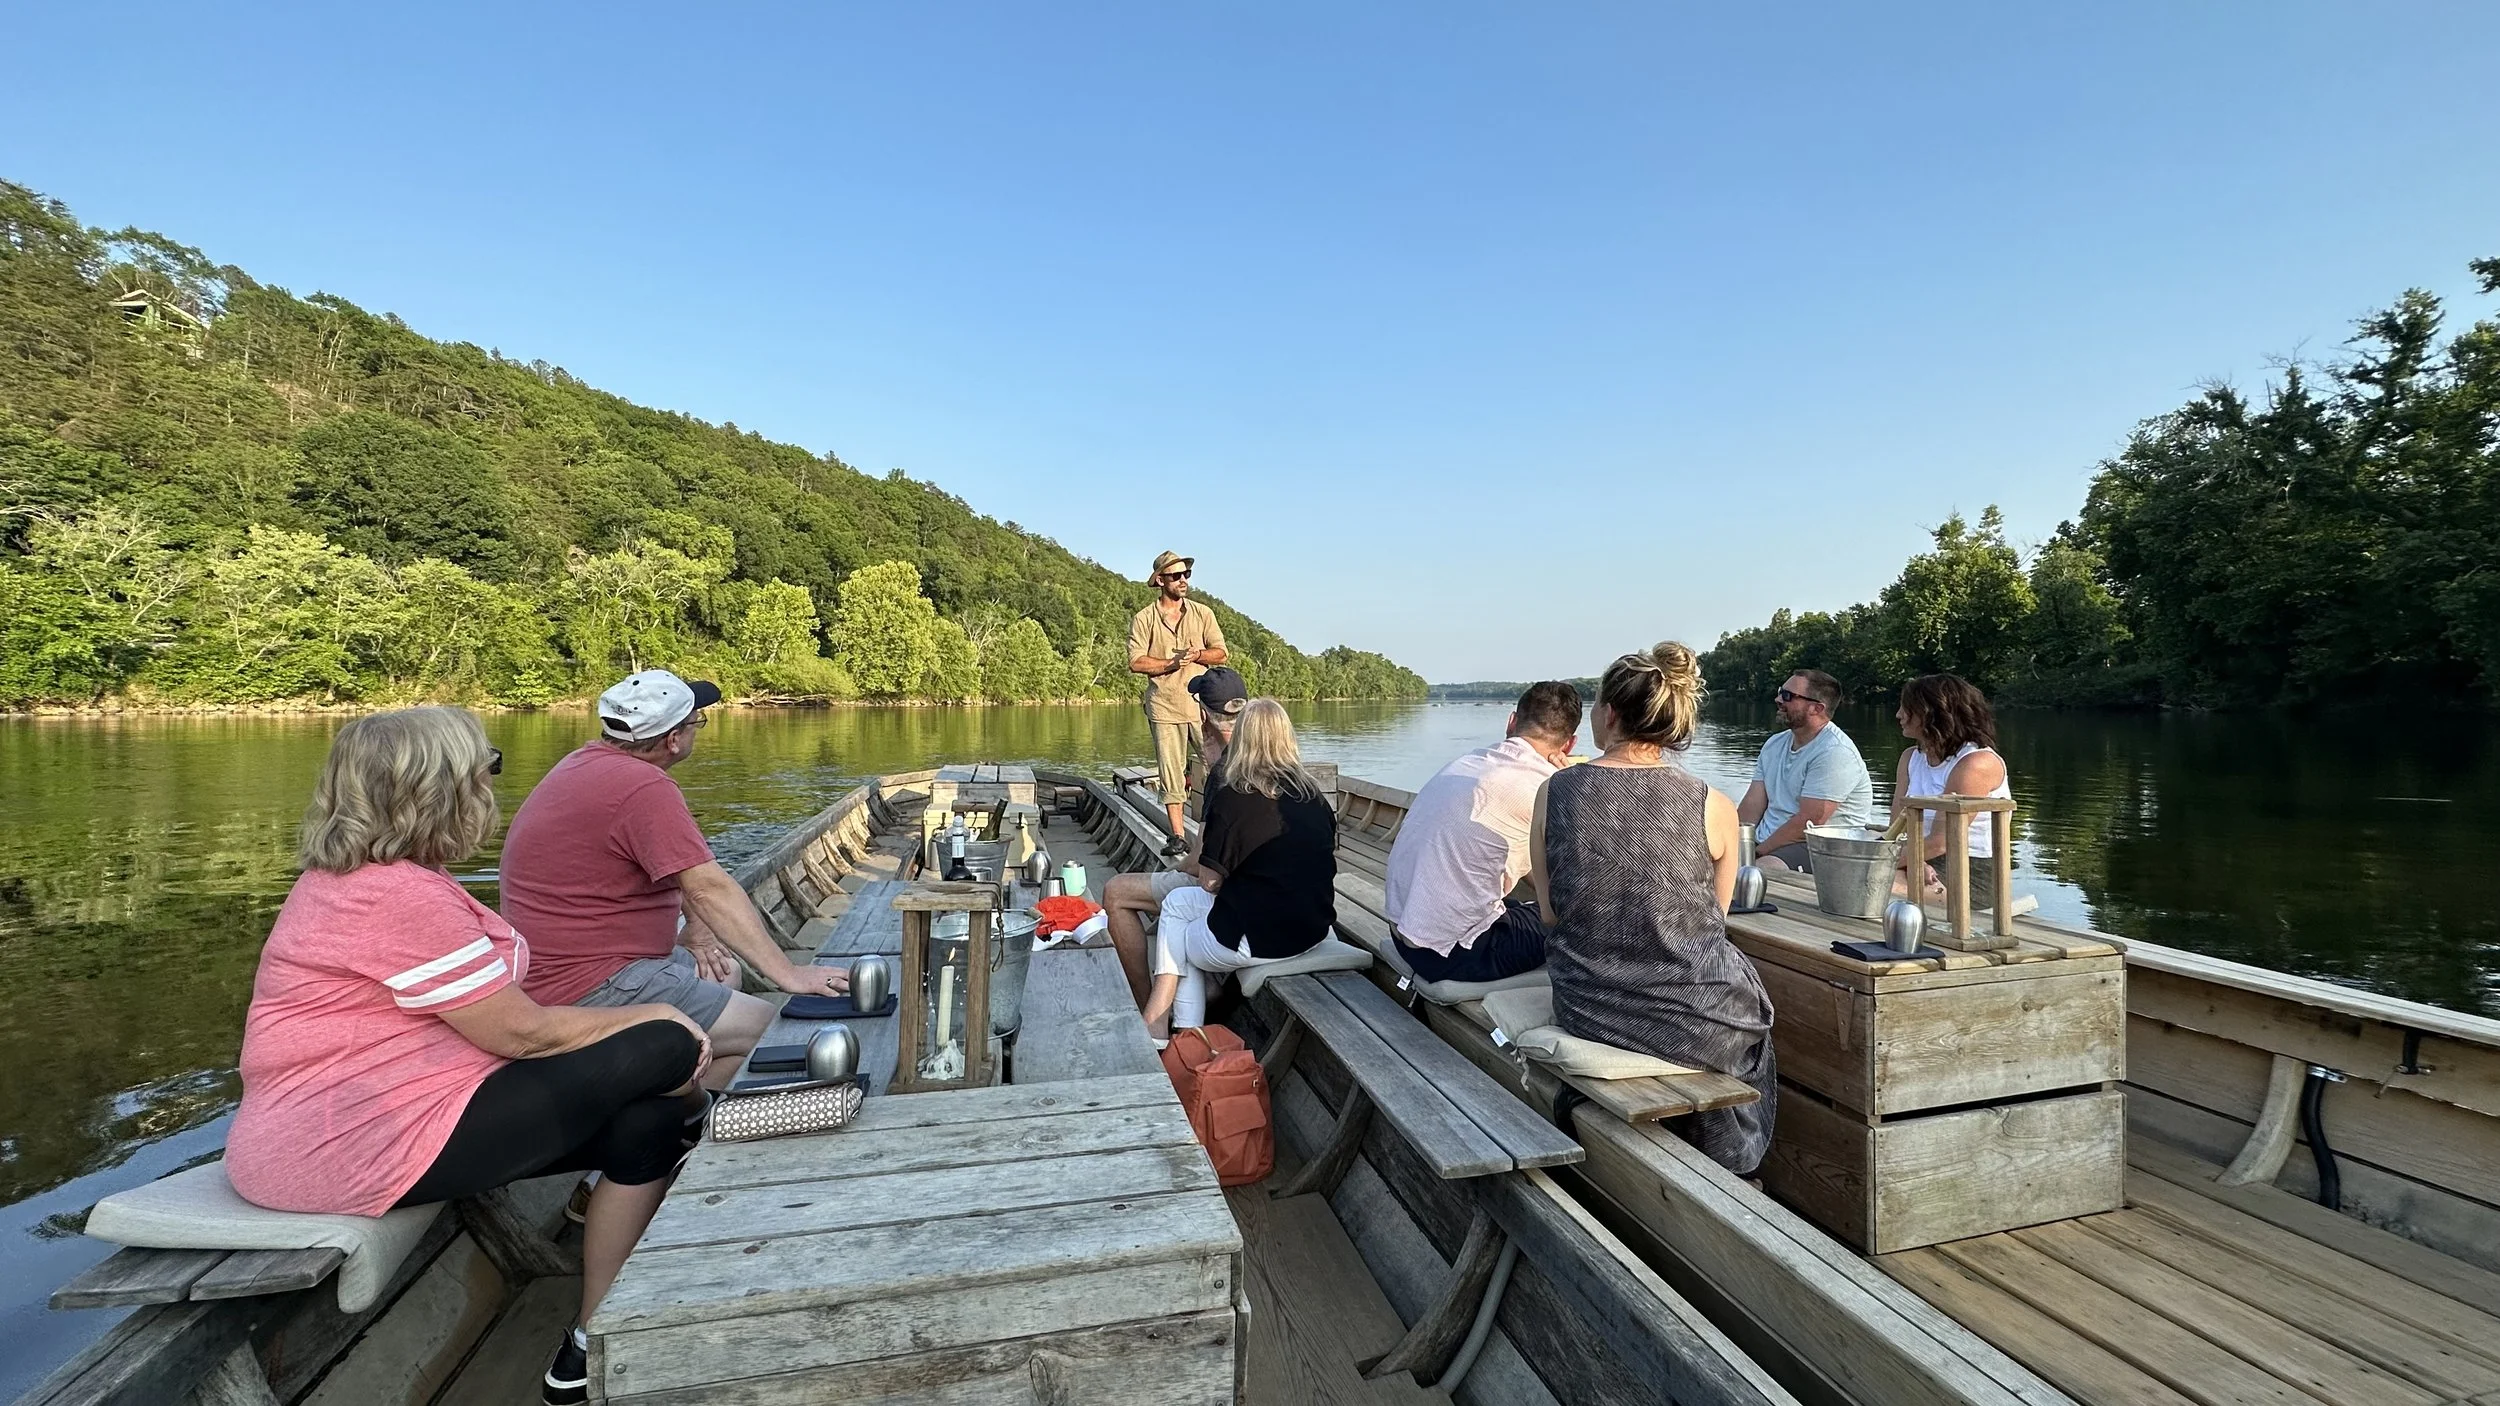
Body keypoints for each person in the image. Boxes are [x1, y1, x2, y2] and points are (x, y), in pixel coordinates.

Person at [224, 708, 712, 1406]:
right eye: (488, 767)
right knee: (663, 1045)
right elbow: (523, 1035)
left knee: (648, 1124)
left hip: (381, 1114)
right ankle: (704, 1120)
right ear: (441, 788)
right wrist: (658, 1018)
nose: (492, 783)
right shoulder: (394, 896)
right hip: (343, 1145)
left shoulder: (380, 877)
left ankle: (593, 1335)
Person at [500, 671, 845, 1094]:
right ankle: (652, 1095)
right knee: (776, 1032)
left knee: (724, 973)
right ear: (674, 740)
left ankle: (670, 1096)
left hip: (553, 975)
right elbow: (709, 888)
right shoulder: (644, 788)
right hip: (595, 984)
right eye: (696, 722)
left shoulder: (582, 764)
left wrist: (696, 927)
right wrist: (790, 975)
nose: (698, 728)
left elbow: (671, 867)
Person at [1530, 644, 1776, 1175]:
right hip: (1699, 1024)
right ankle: (1734, 1167)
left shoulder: (1555, 791)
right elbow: (1713, 923)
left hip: (1590, 1009)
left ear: (1610, 713)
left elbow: (1549, 914)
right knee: (1747, 1021)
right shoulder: (1714, 804)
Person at [1138, 699, 1336, 1042]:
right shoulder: (1314, 797)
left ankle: (1178, 1032)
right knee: (1179, 907)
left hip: (1260, 941)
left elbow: (1208, 881)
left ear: (1242, 739)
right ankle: (1174, 1028)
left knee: (1178, 925)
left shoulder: (1233, 798)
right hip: (1312, 930)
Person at [1383, 681, 1581, 984]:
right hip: (1451, 954)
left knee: (1521, 908)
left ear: (1511, 722)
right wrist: (1570, 786)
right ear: (1569, 745)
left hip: (1402, 931)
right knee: (1576, 919)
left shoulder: (1466, 763)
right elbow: (1569, 885)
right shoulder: (1548, 786)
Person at [1103, 665, 1247, 1006]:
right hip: (1264, 892)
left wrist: (1173, 870)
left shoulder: (1222, 772)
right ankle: (1202, 985)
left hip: (1226, 892)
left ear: (1203, 716)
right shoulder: (1262, 757)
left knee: (1116, 892)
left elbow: (1199, 864)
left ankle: (1147, 1004)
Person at [1128, 550, 1229, 856]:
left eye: (1186, 574)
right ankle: (1177, 836)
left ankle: (1223, 829)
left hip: (1201, 705)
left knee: (1221, 767)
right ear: (1160, 580)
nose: (1183, 580)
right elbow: (1136, 661)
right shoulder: (1144, 618)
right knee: (1170, 771)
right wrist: (1169, 664)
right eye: (1176, 575)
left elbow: (1221, 653)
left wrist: (1198, 655)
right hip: (1164, 705)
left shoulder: (1203, 613)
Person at [1893, 673, 2013, 908]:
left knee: (1870, 882)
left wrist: (1880, 862)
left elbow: (1941, 841)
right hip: (1917, 859)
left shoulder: (1976, 763)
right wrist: (1914, 862)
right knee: (1844, 873)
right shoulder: (1910, 758)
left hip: (1968, 872)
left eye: (1907, 708)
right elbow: (1895, 830)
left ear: (1934, 713)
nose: (1899, 715)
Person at [1737, 668, 1875, 872]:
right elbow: (1752, 805)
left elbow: (1808, 823)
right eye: (1780, 692)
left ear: (1816, 708)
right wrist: (1733, 842)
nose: (1778, 699)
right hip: (1768, 843)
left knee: (1759, 870)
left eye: (1787, 696)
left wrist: (1754, 854)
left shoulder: (1835, 752)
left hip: (1821, 846)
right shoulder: (1774, 744)